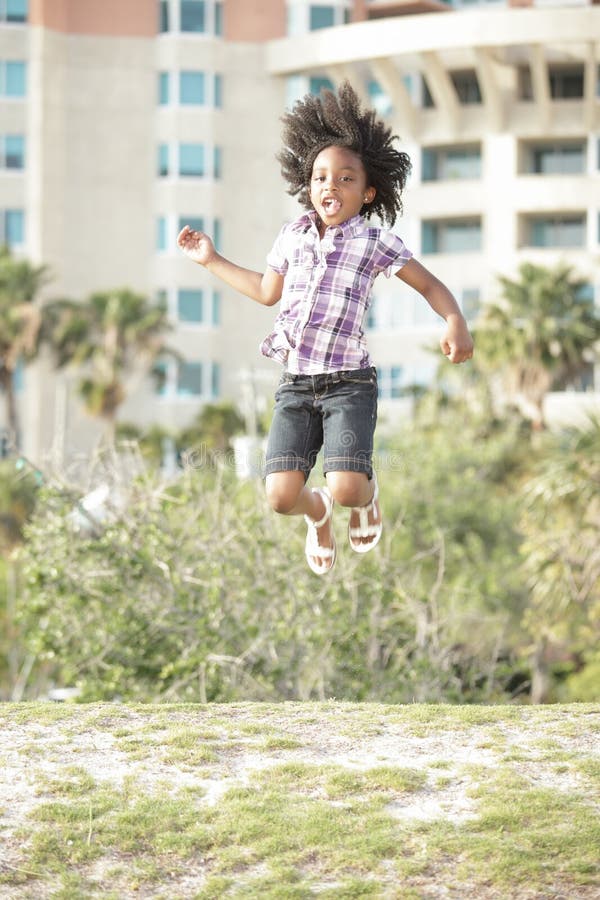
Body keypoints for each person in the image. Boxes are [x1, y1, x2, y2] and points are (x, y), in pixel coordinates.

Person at [178, 82, 473, 576]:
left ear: (368, 190)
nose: (329, 186)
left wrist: (455, 319)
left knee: (348, 488)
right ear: (307, 185)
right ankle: (318, 514)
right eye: (320, 178)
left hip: (348, 386)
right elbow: (267, 291)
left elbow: (430, 285)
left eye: (344, 178)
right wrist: (210, 260)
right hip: (295, 385)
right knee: (280, 496)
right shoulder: (292, 234)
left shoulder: (375, 240)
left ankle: (366, 494)